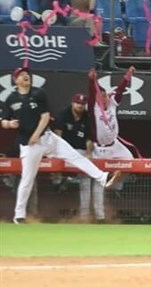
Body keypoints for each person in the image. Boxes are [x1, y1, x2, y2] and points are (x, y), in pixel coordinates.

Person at [1, 67, 119, 224]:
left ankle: (102, 177)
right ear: (15, 80)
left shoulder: (38, 93)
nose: (25, 76)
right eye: (22, 75)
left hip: (47, 138)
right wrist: (9, 124)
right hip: (29, 145)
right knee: (27, 179)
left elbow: (45, 116)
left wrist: (36, 134)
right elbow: (3, 121)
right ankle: (19, 215)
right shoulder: (11, 98)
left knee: (76, 157)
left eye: (27, 74)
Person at [51, 92, 100, 222]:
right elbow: (57, 135)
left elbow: (89, 140)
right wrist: (58, 153)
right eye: (78, 103)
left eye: (82, 104)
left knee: (86, 177)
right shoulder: (63, 114)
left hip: (80, 151)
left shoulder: (88, 117)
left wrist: (89, 154)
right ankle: (57, 181)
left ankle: (84, 215)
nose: (80, 106)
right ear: (73, 103)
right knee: (51, 161)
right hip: (63, 149)